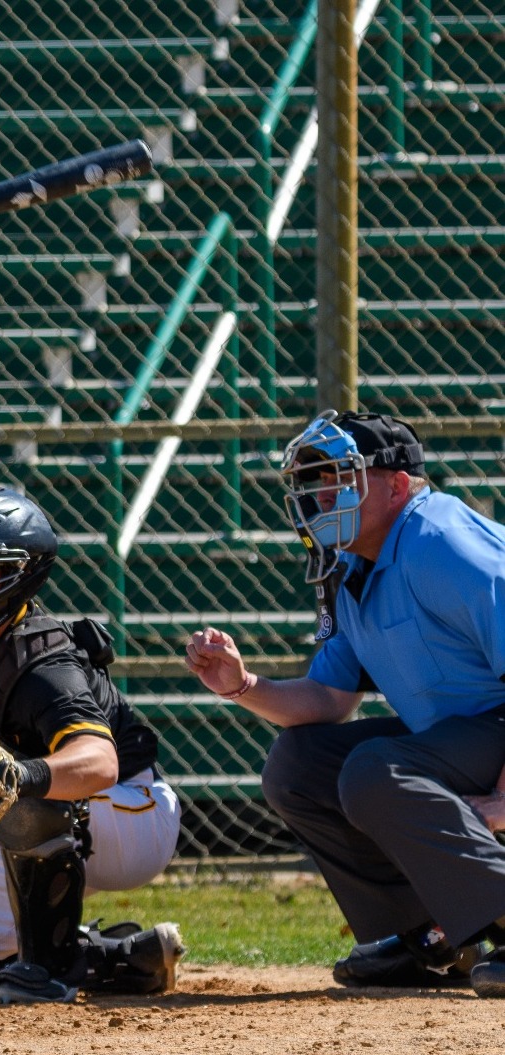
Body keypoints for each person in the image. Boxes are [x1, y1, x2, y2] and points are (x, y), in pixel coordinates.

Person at [186, 410, 505, 997]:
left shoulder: (439, 541)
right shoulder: (354, 561)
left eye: (340, 478)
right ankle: (430, 937)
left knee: (375, 769)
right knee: (300, 765)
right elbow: (330, 700)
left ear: (397, 485)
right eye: (316, 482)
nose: (321, 495)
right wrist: (242, 684)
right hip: (469, 733)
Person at [0, 485, 186, 1004]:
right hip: (49, 812)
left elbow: (99, 762)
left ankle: (47, 973)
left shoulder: (45, 664)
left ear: (12, 578)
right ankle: (124, 960)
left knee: (23, 795)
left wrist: (16, 777)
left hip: (133, 812)